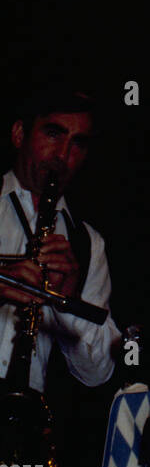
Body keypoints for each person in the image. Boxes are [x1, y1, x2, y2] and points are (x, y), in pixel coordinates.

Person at [0, 86, 120, 406]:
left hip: (19, 415)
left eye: (78, 143)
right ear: (19, 133)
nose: (64, 157)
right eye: (54, 133)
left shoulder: (87, 243)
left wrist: (68, 301)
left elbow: (98, 373)